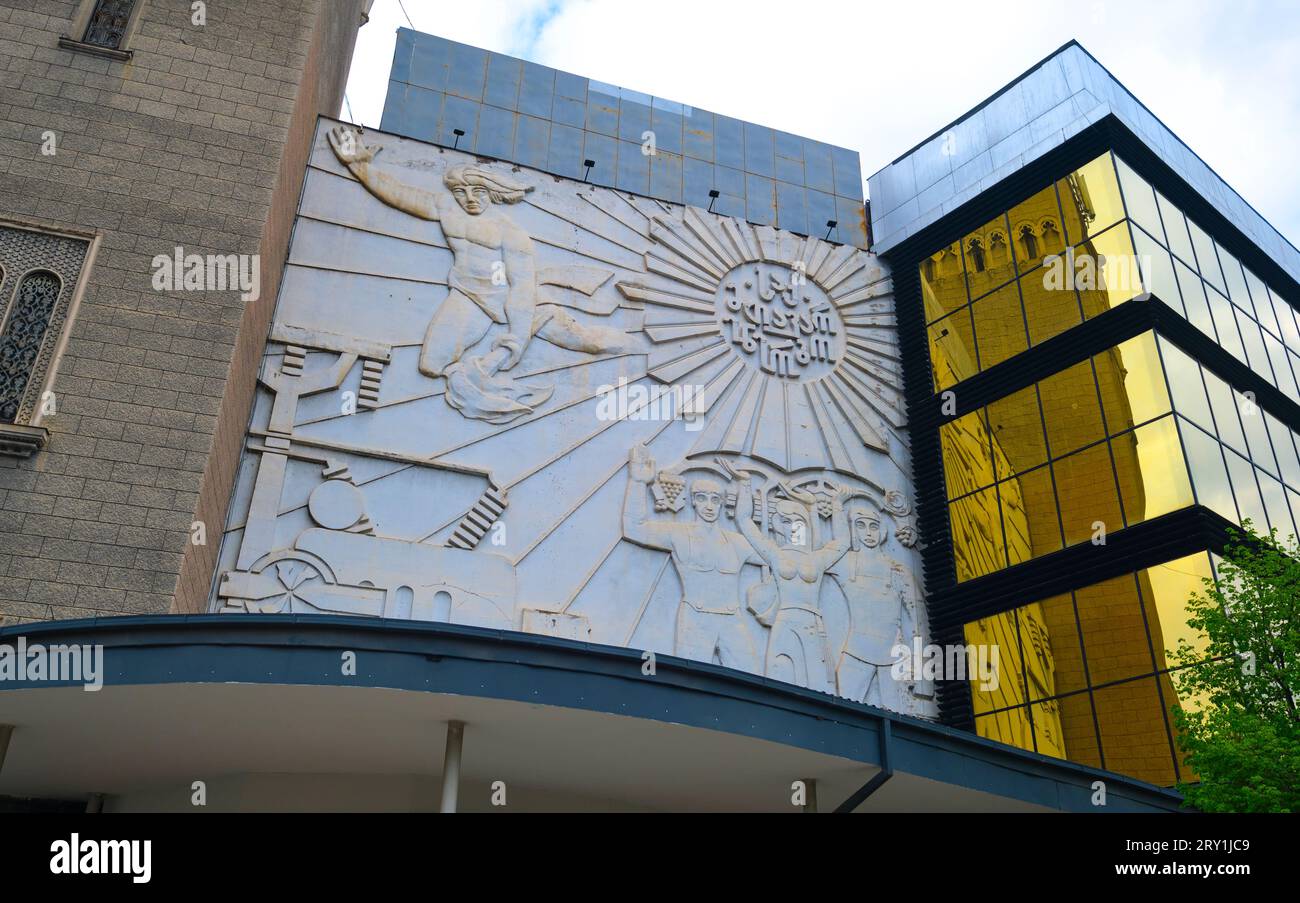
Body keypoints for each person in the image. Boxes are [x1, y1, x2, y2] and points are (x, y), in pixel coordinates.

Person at [327, 127, 632, 421]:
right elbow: (401, 195)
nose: (470, 198)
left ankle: (632, 340)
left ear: (494, 193)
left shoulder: (510, 234)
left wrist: (516, 337)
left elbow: (522, 287)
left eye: (478, 191)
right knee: (432, 365)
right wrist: (358, 165)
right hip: (470, 296)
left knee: (589, 342)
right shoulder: (447, 208)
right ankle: (476, 388)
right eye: (462, 190)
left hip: (517, 301)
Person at [622, 445, 765, 672]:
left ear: (721, 503)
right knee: (690, 681)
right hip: (695, 618)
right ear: (693, 501)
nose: (709, 505)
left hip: (732, 620)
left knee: (755, 686)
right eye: (702, 498)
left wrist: (746, 486)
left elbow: (775, 558)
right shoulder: (679, 534)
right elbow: (634, 528)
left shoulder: (737, 542)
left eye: (715, 500)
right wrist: (638, 483)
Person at [733, 476, 851, 692]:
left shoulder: (816, 559)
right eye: (787, 522)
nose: (794, 527)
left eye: (799, 522)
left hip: (812, 625)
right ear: (779, 527)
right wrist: (745, 483)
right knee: (779, 677)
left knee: (819, 686)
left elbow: (843, 542)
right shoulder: (776, 555)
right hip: (785, 621)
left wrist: (837, 504)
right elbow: (744, 521)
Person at [831, 500, 919, 709]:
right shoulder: (846, 562)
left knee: (900, 725)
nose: (868, 532)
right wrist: (835, 506)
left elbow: (915, 620)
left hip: (892, 658)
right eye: (861, 525)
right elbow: (815, 562)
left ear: (882, 531)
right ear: (852, 529)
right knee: (843, 715)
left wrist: (914, 662)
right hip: (856, 652)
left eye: (874, 526)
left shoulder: (897, 570)